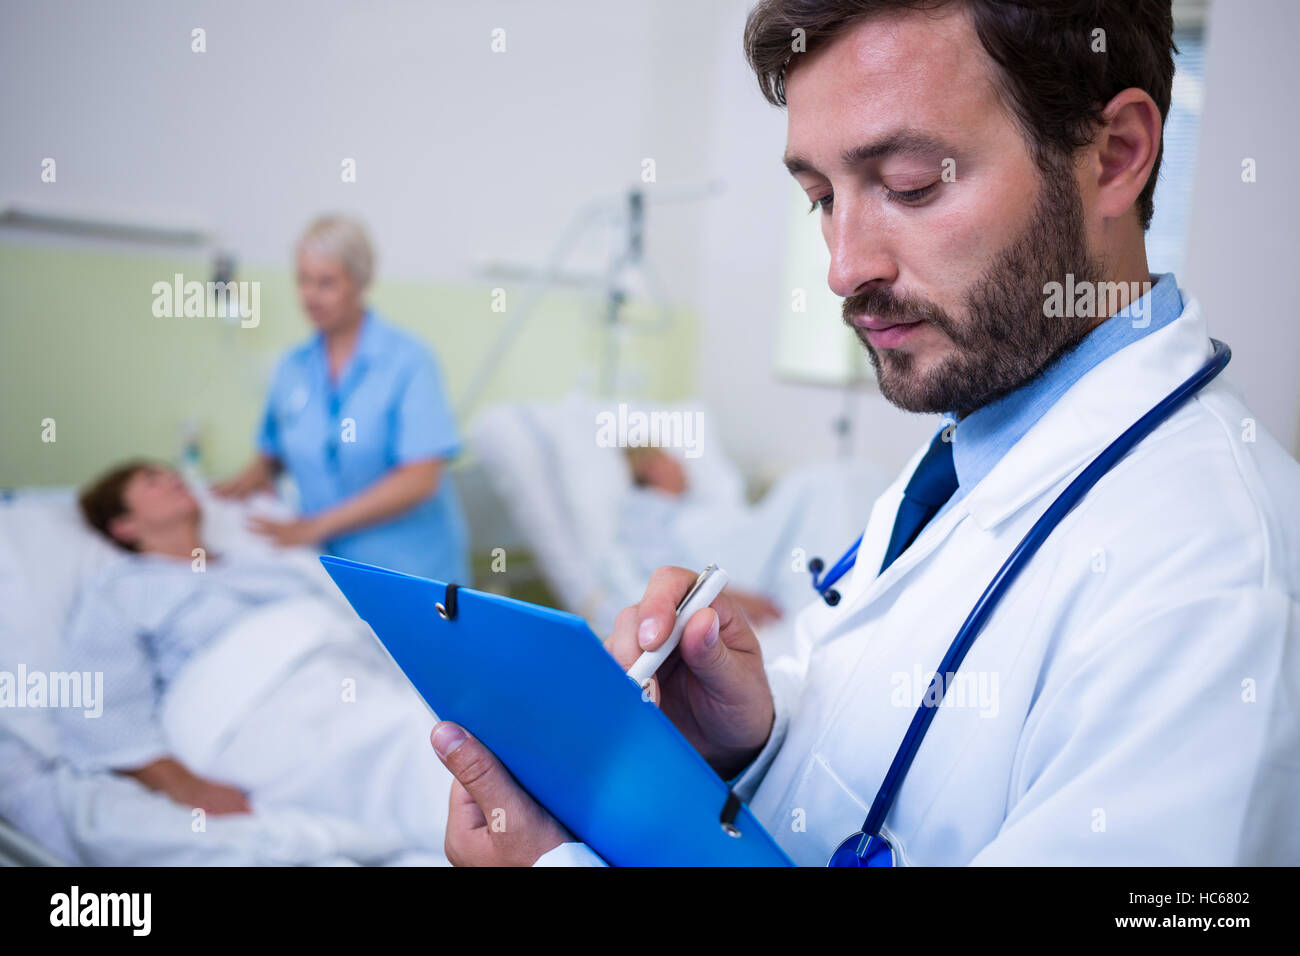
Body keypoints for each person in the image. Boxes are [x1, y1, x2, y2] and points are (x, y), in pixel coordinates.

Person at [427, 0, 1300, 865]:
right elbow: (862, 740)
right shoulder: (974, 446)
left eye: (911, 183)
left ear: (1115, 158)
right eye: (820, 197)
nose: (844, 268)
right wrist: (748, 741)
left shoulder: (1217, 584)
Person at [62, 461, 453, 852]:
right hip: (247, 717)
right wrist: (186, 785)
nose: (172, 479)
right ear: (123, 526)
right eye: (151, 481)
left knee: (431, 724)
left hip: (346, 683)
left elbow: (342, 630)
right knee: (406, 736)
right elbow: (102, 708)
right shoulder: (119, 591)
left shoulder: (268, 568)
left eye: (170, 473)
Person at [216, 216, 470, 584]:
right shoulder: (292, 367)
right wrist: (251, 477)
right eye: (303, 280)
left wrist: (313, 527)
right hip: (329, 572)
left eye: (326, 283)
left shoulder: (409, 361)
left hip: (413, 572)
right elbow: (274, 448)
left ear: (360, 282)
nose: (310, 296)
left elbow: (421, 478)